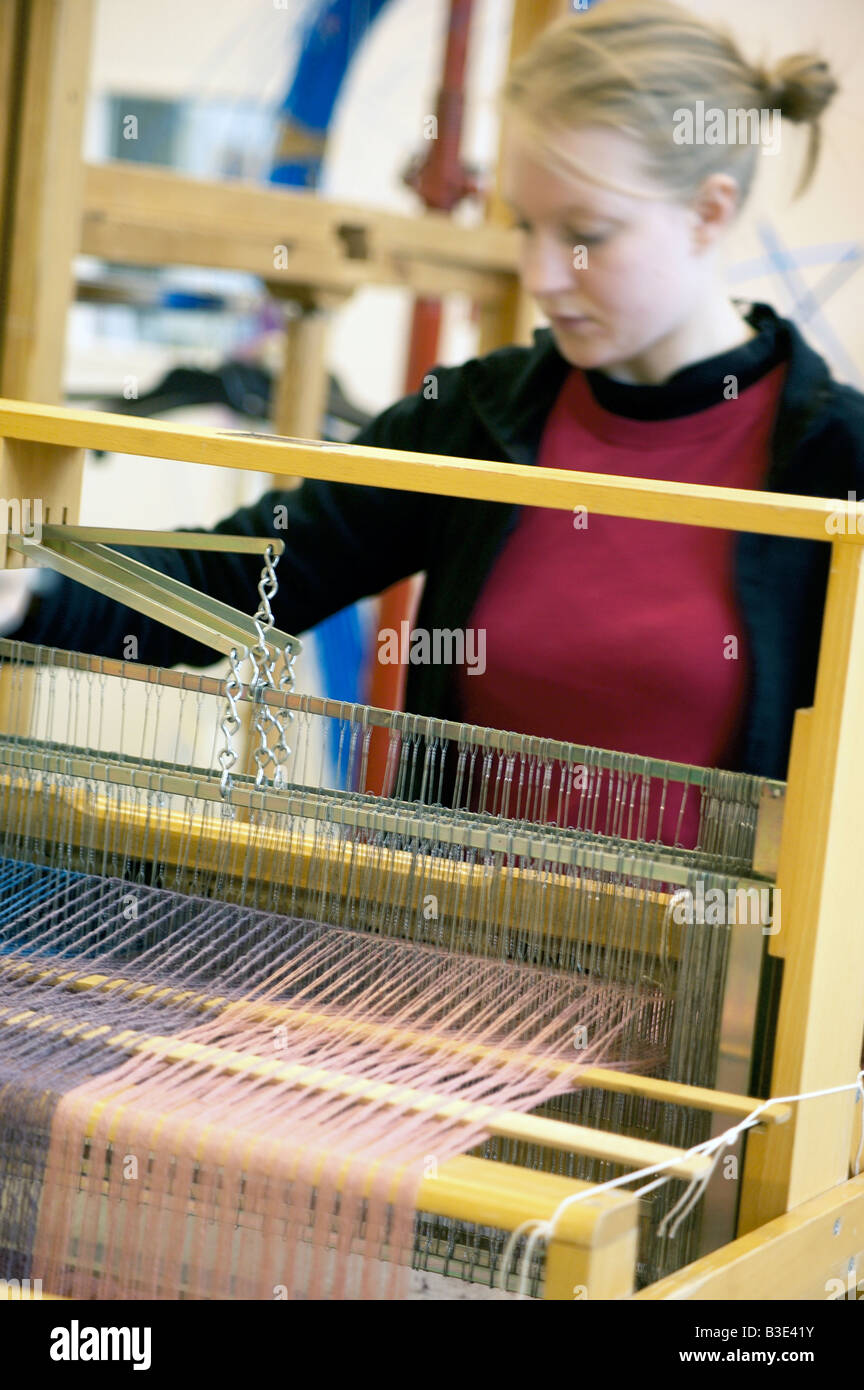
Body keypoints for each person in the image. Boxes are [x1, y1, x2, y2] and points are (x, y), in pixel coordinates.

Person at [6, 0, 862, 809]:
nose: (541, 276)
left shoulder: (836, 458)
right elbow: (245, 577)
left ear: (708, 213)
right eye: (526, 226)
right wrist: (25, 593)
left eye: (586, 236)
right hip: (453, 949)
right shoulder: (478, 419)